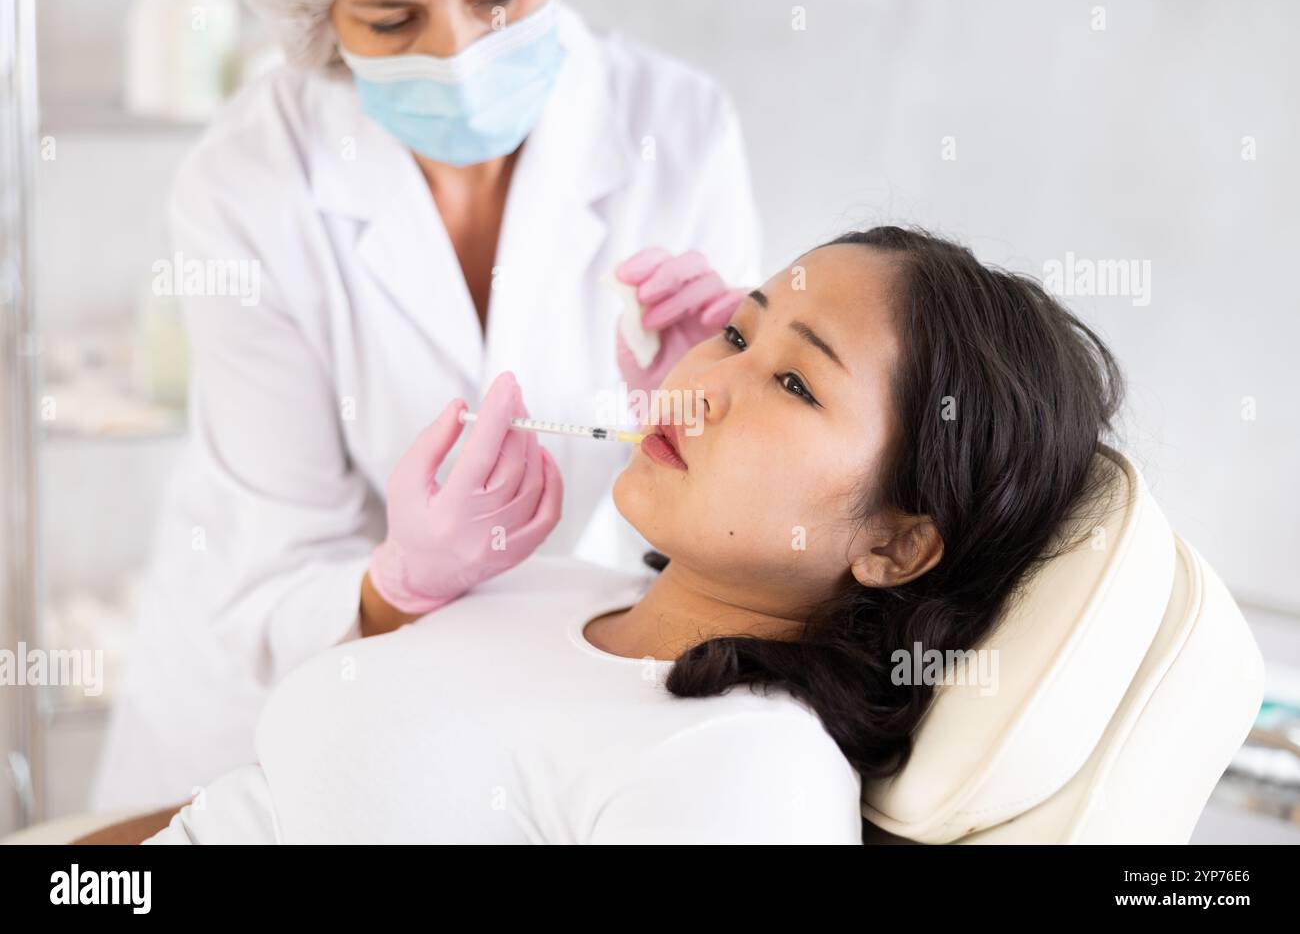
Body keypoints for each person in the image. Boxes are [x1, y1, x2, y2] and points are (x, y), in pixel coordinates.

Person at [135, 226, 1125, 843]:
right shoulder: (555, 588)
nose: (697, 382)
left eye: (792, 381)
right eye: (735, 331)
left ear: (897, 544)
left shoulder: (747, 766)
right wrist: (400, 589)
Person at [90, 0, 762, 812]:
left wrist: (708, 405)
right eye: (391, 18)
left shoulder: (681, 129)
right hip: (266, 682)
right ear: (317, 21)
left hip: (518, 680)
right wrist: (401, 583)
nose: (457, 51)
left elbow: (741, 535)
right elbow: (277, 563)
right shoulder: (246, 179)